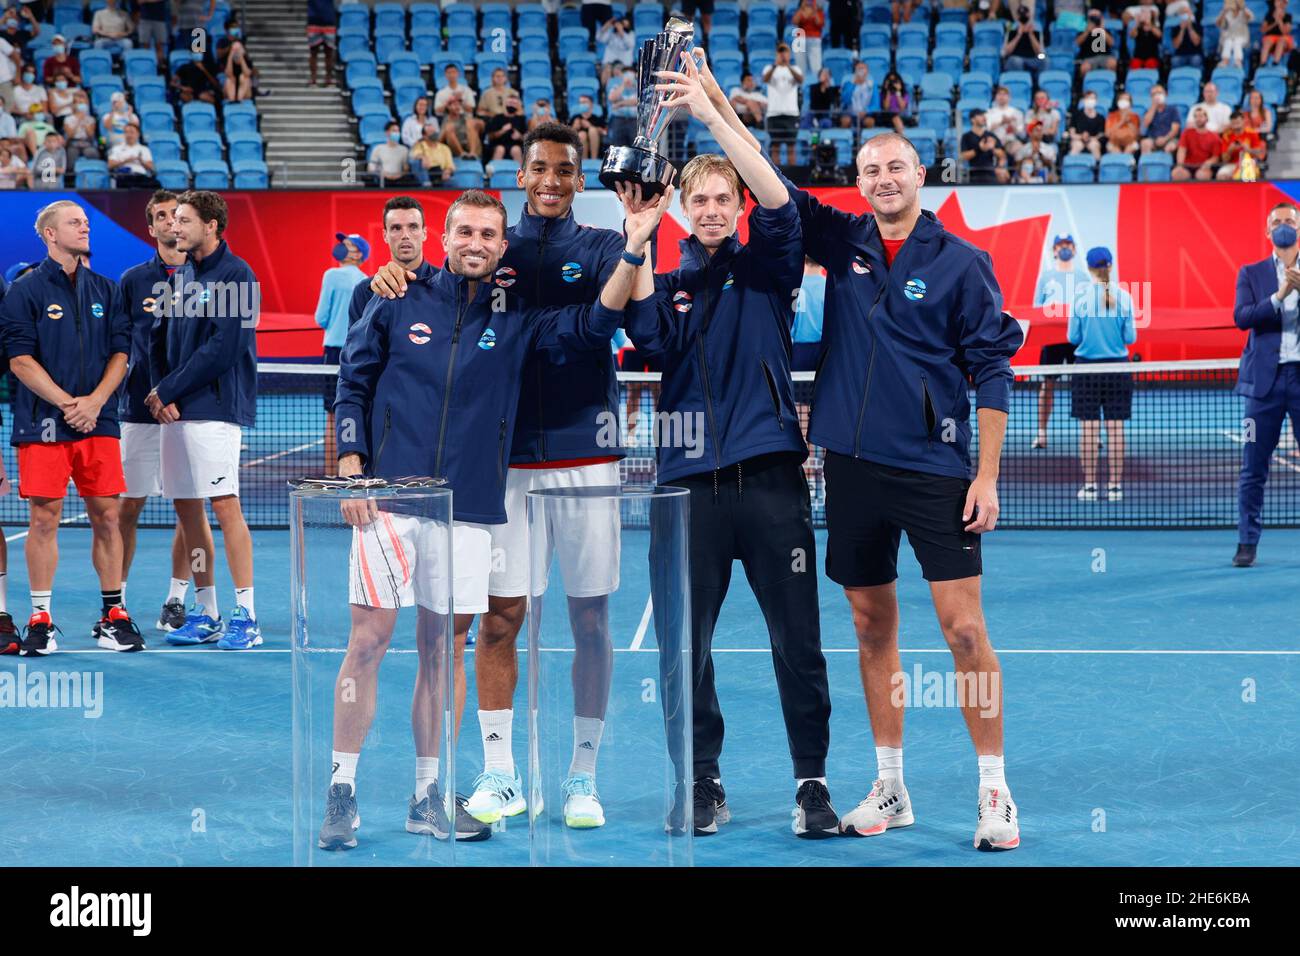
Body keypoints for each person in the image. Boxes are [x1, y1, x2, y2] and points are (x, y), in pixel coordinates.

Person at [697, 45, 1024, 851]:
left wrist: (985, 475)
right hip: (848, 468)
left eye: (896, 168)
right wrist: (711, 106)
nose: (882, 179)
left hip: (938, 470)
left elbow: (992, 371)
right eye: (870, 169)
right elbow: (768, 181)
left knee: (962, 632)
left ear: (921, 176)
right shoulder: (842, 241)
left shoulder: (962, 265)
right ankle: (891, 785)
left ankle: (994, 791)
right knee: (870, 623)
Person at [320, 188, 659, 849]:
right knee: (367, 643)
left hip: (472, 511)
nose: (474, 242)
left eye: (487, 234)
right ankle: (341, 789)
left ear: (502, 247)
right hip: (389, 499)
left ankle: (426, 793)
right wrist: (354, 465)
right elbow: (351, 384)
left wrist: (635, 246)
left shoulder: (520, 319)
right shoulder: (392, 297)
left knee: (440, 652)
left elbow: (594, 323)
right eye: (464, 231)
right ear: (444, 238)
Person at [622, 53, 836, 838]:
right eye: (698, 200)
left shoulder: (772, 263)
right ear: (682, 209)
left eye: (723, 199)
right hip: (686, 490)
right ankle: (701, 781)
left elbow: (782, 201)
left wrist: (712, 113)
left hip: (772, 481)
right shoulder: (665, 276)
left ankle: (811, 782)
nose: (712, 210)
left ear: (738, 204)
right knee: (685, 648)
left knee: (798, 643)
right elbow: (646, 340)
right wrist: (637, 242)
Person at [0, 199, 141, 655]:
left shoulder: (108, 288)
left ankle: (113, 615)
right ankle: (40, 618)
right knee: (44, 519)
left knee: (108, 516)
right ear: (49, 234)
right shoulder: (24, 291)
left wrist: (96, 402)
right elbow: (20, 360)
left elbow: (123, 352)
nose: (84, 227)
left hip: (99, 421)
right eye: (73, 223)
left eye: (85, 222)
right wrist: (67, 404)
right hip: (42, 424)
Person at [147, 190, 261, 650]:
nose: (175, 226)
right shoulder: (181, 276)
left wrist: (167, 390)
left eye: (184, 219)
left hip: (215, 409)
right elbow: (157, 340)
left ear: (212, 225)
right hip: (176, 412)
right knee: (188, 510)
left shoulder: (239, 275)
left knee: (223, 506)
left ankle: (246, 615)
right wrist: (160, 395)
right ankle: (207, 609)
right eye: (173, 219)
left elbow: (223, 348)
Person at [117, 189, 205, 633]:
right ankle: (117, 601)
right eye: (162, 217)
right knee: (127, 506)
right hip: (137, 409)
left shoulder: (209, 278)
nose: (172, 222)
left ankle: (176, 599)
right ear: (151, 227)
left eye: (178, 215)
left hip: (189, 410)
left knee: (188, 509)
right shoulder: (132, 281)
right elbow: (119, 345)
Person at [1231, 202, 1300, 567]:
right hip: (1263, 388)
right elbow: (1242, 318)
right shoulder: (1252, 273)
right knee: (1253, 467)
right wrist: (1280, 295)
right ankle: (1247, 542)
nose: (1284, 227)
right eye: (1278, 222)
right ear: (1267, 231)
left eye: (1290, 221)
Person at [1068, 246, 1135, 502]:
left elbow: (1073, 337)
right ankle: (1115, 487)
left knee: (1089, 430)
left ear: (1088, 267)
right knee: (1116, 430)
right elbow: (1130, 337)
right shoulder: (1125, 298)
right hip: (1118, 369)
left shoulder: (1080, 299)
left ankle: (1090, 486)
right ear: (1111, 265)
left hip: (1086, 370)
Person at [313, 230, 368, 475]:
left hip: (334, 352)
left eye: (346, 245)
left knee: (333, 416)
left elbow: (320, 317)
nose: (341, 247)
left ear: (357, 253)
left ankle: (331, 474)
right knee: (357, 411)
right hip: (360, 351)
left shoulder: (331, 275)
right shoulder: (367, 279)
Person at [1031, 234, 1088, 448]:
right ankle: (1042, 433)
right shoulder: (1046, 277)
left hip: (1077, 339)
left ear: (1073, 248)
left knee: (1084, 384)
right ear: (1055, 250)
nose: (1065, 248)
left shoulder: (1083, 277)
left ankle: (1091, 433)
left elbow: (1089, 307)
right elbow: (1037, 308)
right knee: (1048, 385)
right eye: (1061, 245)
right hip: (1052, 339)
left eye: (1068, 245)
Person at [762, 43, 802, 167]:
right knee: (775, 146)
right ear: (776, 54)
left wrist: (787, 65)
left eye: (785, 52)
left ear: (789, 54)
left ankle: (794, 177)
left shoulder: (795, 69)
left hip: (791, 113)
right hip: (774, 113)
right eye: (780, 52)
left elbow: (800, 79)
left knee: (791, 146)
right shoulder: (769, 68)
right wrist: (776, 65)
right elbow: (765, 79)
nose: (783, 54)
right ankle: (776, 179)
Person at [792, 256, 825, 371]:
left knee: (797, 387)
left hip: (799, 349)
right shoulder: (827, 287)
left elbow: (790, 321)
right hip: (822, 349)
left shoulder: (796, 288)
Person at [1172, 105, 1221, 180]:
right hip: (1187, 166)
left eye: (1201, 116)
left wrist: (1208, 163)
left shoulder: (1214, 137)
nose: (1198, 119)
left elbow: (1215, 157)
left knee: (1202, 176)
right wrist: (1180, 165)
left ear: (1206, 118)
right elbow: (1182, 150)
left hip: (1203, 167)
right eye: (1196, 117)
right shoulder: (1187, 133)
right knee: (1176, 174)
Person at [960, 110, 1008, 184]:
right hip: (974, 173)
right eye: (980, 115)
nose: (984, 117)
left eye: (984, 115)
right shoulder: (966, 136)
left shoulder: (991, 135)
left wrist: (992, 149)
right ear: (972, 119)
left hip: (991, 172)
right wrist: (980, 149)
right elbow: (963, 156)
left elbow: (1002, 155)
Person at [1218, 108, 1267, 180]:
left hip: (1249, 163)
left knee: (1243, 176)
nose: (1236, 125)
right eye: (1233, 123)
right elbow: (1224, 160)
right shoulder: (1226, 136)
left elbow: (1259, 154)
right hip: (1232, 164)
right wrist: (1230, 150)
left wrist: (1248, 149)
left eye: (1238, 122)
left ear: (1243, 121)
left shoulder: (1252, 133)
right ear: (1230, 123)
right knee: (1221, 175)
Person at [1002, 4, 1045, 79]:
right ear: (1018, 16)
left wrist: (1031, 35)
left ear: (1029, 14)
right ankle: (1021, 83)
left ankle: (1039, 86)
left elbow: (1040, 53)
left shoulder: (1036, 31)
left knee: (1045, 60)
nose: (1023, 16)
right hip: (1016, 57)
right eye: (1021, 14)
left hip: (1032, 58)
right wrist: (1018, 35)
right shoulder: (1011, 32)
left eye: (1025, 13)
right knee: (1016, 60)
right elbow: (1005, 53)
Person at [107, 122, 156, 186]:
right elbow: (110, 165)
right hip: (124, 176)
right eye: (126, 132)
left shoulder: (144, 149)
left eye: (132, 132)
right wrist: (126, 160)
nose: (129, 135)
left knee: (156, 184)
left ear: (138, 134)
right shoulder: (117, 148)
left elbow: (152, 168)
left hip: (141, 177)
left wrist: (141, 160)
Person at [369, 120, 415, 186]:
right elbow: (371, 167)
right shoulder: (378, 148)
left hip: (399, 180)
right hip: (382, 179)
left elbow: (406, 168)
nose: (396, 133)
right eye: (394, 131)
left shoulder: (404, 149)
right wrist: (382, 174)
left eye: (398, 131)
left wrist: (400, 174)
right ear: (387, 133)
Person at [1140, 85, 1181, 155]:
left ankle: (1165, 165)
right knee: (1145, 143)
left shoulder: (1172, 110)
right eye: (1154, 94)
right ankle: (1147, 165)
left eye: (1159, 93)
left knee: (1170, 147)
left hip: (1169, 139)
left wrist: (1165, 139)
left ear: (1165, 94)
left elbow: (1175, 130)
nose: (1157, 96)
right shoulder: (1149, 111)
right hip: (1153, 139)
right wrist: (1154, 106)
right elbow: (1145, 125)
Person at [985, 85, 1025, 156]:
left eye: (1004, 94)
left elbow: (1022, 135)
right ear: (995, 97)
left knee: (1019, 148)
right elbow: (986, 131)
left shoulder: (1017, 113)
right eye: (999, 94)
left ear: (1009, 97)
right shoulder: (989, 112)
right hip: (993, 141)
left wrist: (1011, 124)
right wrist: (1001, 122)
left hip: (1010, 141)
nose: (1002, 96)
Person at [606, 63, 638, 148]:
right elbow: (612, 97)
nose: (628, 77)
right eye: (626, 74)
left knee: (634, 147)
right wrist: (623, 85)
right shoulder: (616, 86)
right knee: (618, 147)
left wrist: (620, 103)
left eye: (630, 74)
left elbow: (638, 101)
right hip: (618, 120)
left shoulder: (638, 87)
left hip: (634, 120)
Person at [439, 97, 482, 161]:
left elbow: (481, 125)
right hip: (456, 149)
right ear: (448, 107)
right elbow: (439, 141)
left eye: (458, 104)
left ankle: (472, 153)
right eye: (454, 105)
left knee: (471, 123)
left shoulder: (466, 117)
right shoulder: (445, 121)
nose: (457, 107)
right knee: (448, 128)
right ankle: (462, 154)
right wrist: (446, 130)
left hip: (470, 145)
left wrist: (475, 123)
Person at [1076, 9, 1117, 74]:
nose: (1095, 19)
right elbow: (1077, 43)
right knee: (1084, 68)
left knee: (1112, 63)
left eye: (1096, 17)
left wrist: (1102, 30)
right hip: (1089, 57)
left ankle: (1112, 82)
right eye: (1092, 17)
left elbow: (1112, 43)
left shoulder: (1105, 30)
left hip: (1105, 56)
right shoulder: (1083, 30)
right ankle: (1086, 83)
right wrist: (1087, 31)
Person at [792, 0, 826, 79]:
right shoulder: (800, 10)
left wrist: (814, 11)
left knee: (816, 68)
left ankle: (816, 86)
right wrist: (801, 9)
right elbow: (794, 21)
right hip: (800, 39)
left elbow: (820, 23)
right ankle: (800, 88)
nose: (808, 2)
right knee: (800, 68)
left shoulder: (818, 11)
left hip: (814, 40)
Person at [306, 0, 337, 87]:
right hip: (314, 21)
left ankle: (328, 80)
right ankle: (313, 80)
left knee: (329, 53)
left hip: (328, 21)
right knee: (313, 52)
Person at [1068, 90, 1105, 160]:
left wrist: (1089, 138)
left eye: (1093, 98)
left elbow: (1100, 135)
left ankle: (1097, 167)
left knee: (1094, 145)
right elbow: (1072, 134)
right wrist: (1081, 137)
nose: (1090, 100)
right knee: (1077, 145)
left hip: (1093, 140)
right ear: (1084, 100)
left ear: (1096, 101)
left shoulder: (1100, 118)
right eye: (1088, 98)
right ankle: (1070, 166)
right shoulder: (1076, 115)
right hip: (1078, 139)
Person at [595, 16, 634, 82]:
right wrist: (606, 26)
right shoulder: (611, 34)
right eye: (622, 24)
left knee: (618, 71)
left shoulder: (631, 34)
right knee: (607, 70)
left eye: (625, 26)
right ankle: (604, 91)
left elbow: (630, 44)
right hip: (609, 63)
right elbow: (599, 38)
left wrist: (621, 32)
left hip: (624, 65)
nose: (623, 27)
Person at [62, 91, 97, 163]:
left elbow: (90, 135)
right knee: (72, 155)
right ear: (74, 105)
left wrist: (84, 121)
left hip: (86, 142)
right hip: (73, 143)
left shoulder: (91, 119)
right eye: (79, 103)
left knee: (92, 153)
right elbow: (70, 135)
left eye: (82, 103)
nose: (81, 105)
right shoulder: (68, 119)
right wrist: (78, 121)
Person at [873, 70, 911, 134]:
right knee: (894, 117)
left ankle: (902, 138)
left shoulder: (904, 94)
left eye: (894, 81)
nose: (892, 84)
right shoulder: (883, 94)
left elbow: (902, 108)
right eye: (890, 81)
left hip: (901, 116)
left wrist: (898, 92)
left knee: (896, 118)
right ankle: (903, 140)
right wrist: (888, 91)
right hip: (887, 117)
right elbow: (886, 108)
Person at [1217, 0, 1254, 68]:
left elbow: (1250, 17)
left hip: (1242, 36)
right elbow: (1218, 24)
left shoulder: (1244, 11)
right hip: (1229, 36)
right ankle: (1225, 60)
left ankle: (1238, 61)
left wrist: (1242, 7)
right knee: (1228, 42)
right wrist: (1224, 12)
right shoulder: (1226, 13)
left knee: (1237, 42)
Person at [568, 93, 605, 160]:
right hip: (579, 145)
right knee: (582, 134)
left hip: (596, 145)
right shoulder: (575, 118)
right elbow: (568, 134)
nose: (582, 104)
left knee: (592, 130)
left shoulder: (597, 118)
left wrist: (590, 126)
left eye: (585, 102)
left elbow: (604, 132)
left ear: (591, 104)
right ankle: (584, 161)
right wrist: (574, 127)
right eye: (581, 103)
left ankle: (594, 160)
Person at [840, 60, 872, 129]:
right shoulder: (848, 84)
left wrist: (866, 111)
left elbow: (876, 104)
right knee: (845, 120)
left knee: (870, 121)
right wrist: (854, 84)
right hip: (850, 113)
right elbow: (845, 100)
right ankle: (846, 138)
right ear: (855, 71)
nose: (861, 71)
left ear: (867, 71)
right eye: (859, 69)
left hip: (865, 114)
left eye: (863, 68)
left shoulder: (872, 85)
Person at [1262, 0, 1294, 65]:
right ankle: (1263, 63)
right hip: (1270, 38)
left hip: (1284, 40)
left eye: (1282, 2)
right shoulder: (1268, 15)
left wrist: (1279, 21)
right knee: (1268, 41)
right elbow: (1263, 30)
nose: (1280, 4)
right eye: (1278, 2)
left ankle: (1275, 62)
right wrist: (1274, 23)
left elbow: (1285, 32)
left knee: (1281, 40)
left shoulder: (1288, 16)